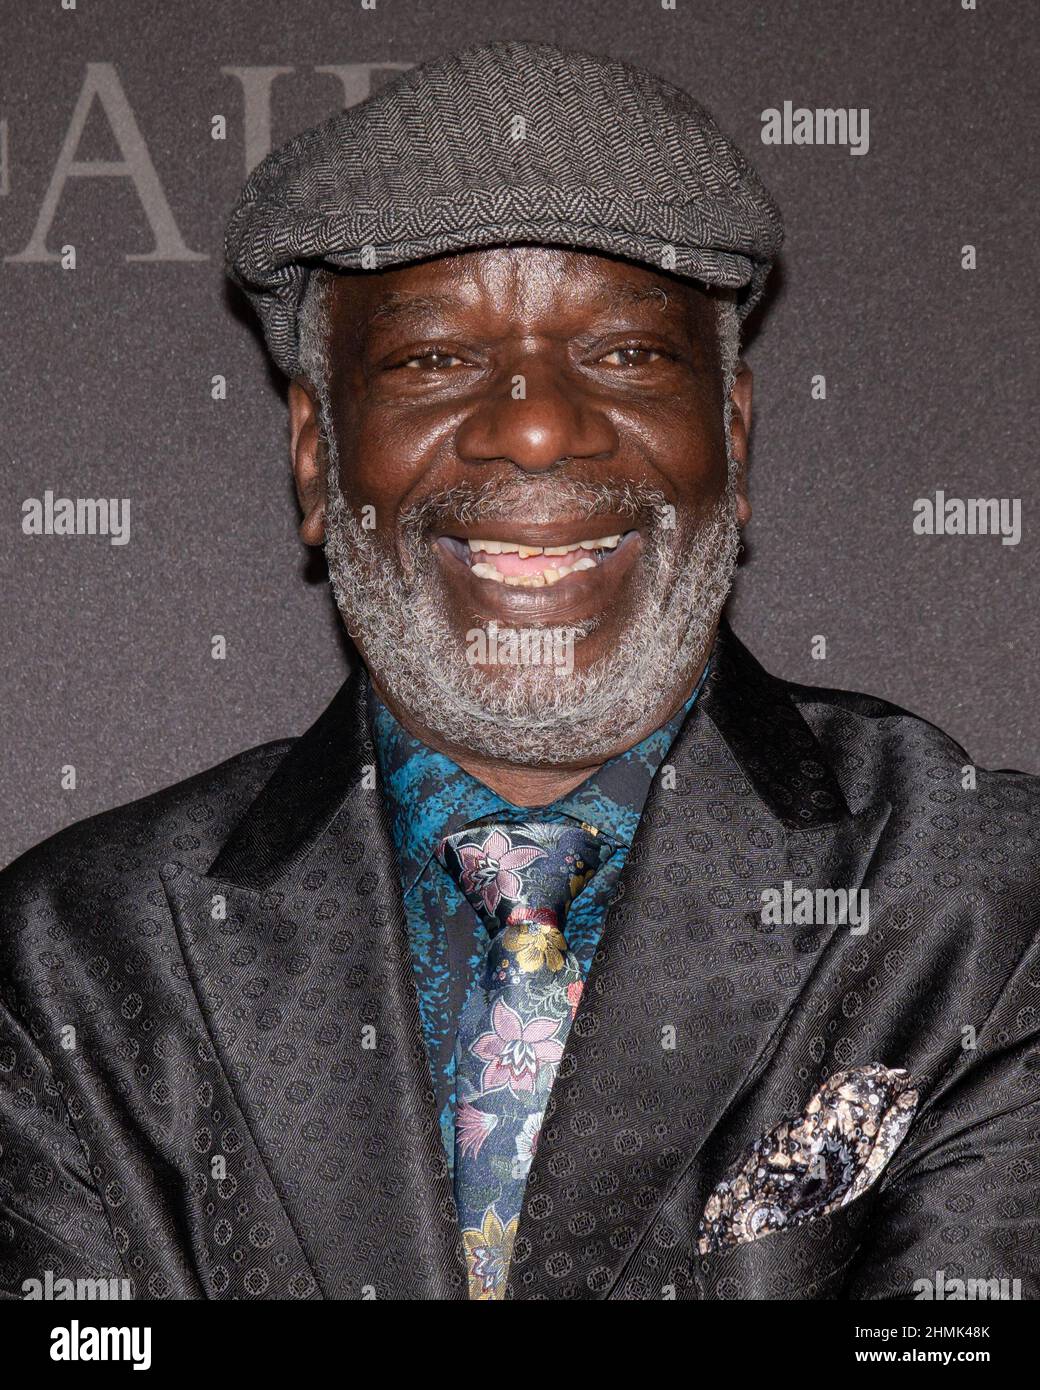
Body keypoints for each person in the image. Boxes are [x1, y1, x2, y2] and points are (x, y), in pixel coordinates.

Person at [1, 40, 1037, 1302]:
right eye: (434, 360)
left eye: (624, 355)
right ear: (319, 458)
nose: (536, 424)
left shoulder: (981, 904)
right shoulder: (78, 960)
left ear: (733, 437)